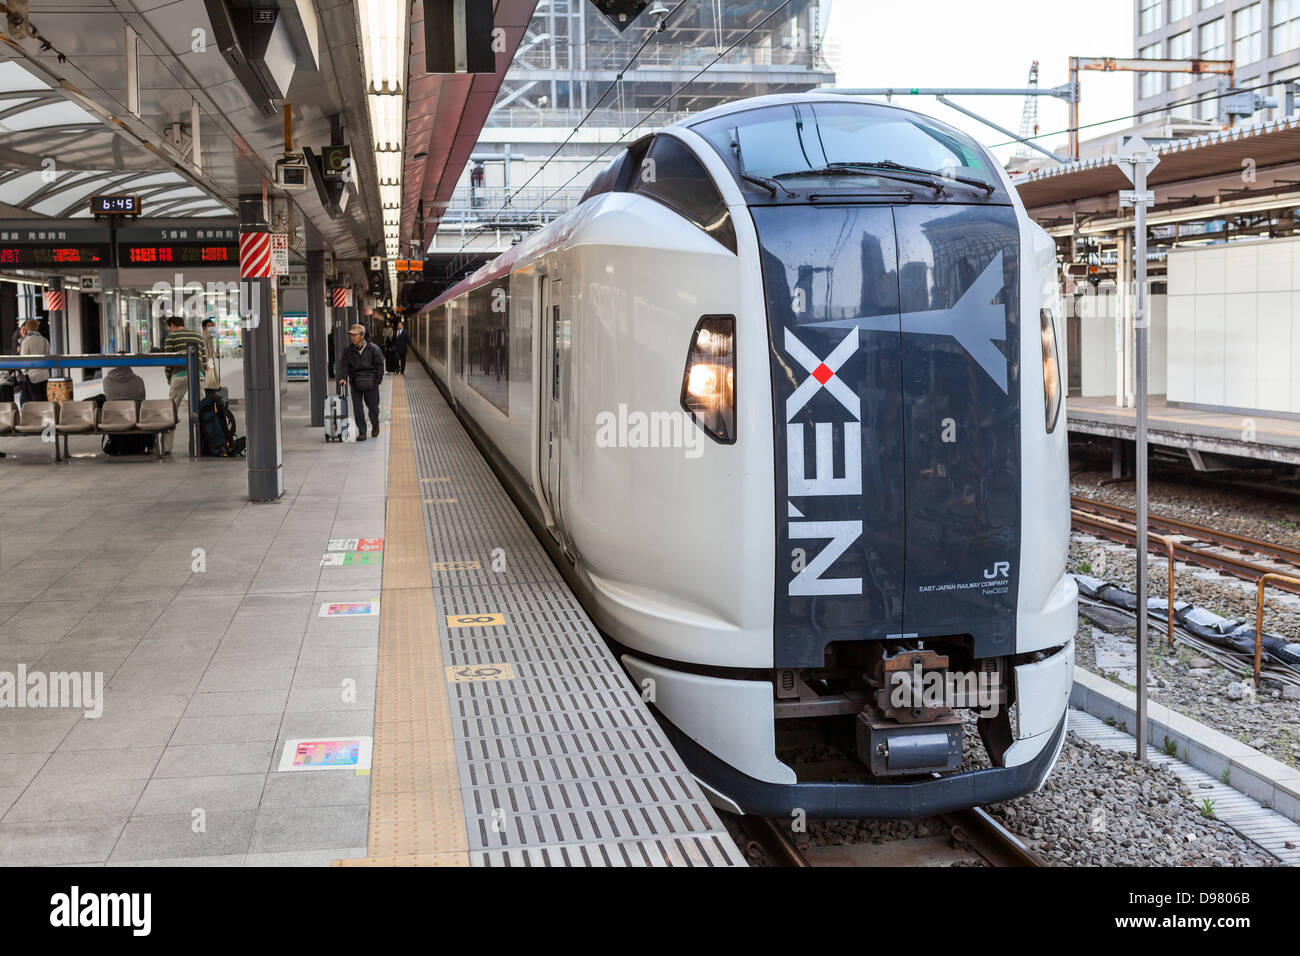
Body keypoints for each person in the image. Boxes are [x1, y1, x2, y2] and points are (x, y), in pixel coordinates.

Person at [160, 316, 207, 455]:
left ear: (172, 325)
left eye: (169, 327)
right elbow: (204, 358)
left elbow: (168, 359)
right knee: (202, 409)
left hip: (179, 375)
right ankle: (203, 443)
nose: (169, 329)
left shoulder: (171, 337)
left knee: (172, 409)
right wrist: (202, 372)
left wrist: (168, 376)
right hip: (197, 374)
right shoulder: (196, 335)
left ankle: (167, 447)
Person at [337, 323, 384, 441]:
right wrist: (343, 377)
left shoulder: (374, 349)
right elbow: (344, 365)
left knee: (373, 408)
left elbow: (380, 365)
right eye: (351, 335)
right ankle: (362, 431)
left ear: (362, 336)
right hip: (355, 382)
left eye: (355, 335)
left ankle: (375, 424)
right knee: (357, 408)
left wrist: (377, 380)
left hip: (371, 382)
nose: (352, 337)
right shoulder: (348, 351)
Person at [18, 319, 49, 402]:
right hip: (44, 373)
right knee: (44, 396)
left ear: (28, 328)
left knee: (35, 397)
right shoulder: (44, 340)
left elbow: (23, 359)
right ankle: (47, 413)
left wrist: (24, 372)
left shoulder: (26, 341)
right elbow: (48, 356)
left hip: (32, 375)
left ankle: (37, 414)